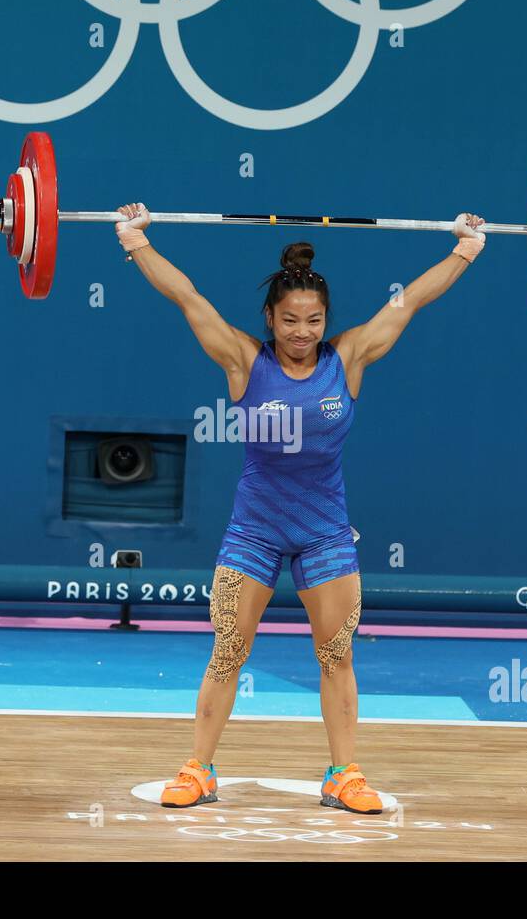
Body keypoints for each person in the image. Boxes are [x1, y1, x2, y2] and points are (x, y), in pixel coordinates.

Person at [113, 204, 486, 813]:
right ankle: (199, 769)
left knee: (337, 653)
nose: (302, 332)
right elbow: (186, 297)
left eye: (313, 321)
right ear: (270, 317)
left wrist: (465, 250)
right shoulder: (243, 361)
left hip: (324, 533)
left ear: (325, 321)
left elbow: (411, 300)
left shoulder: (351, 358)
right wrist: (134, 240)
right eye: (289, 320)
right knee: (229, 647)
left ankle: (343, 773)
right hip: (254, 529)